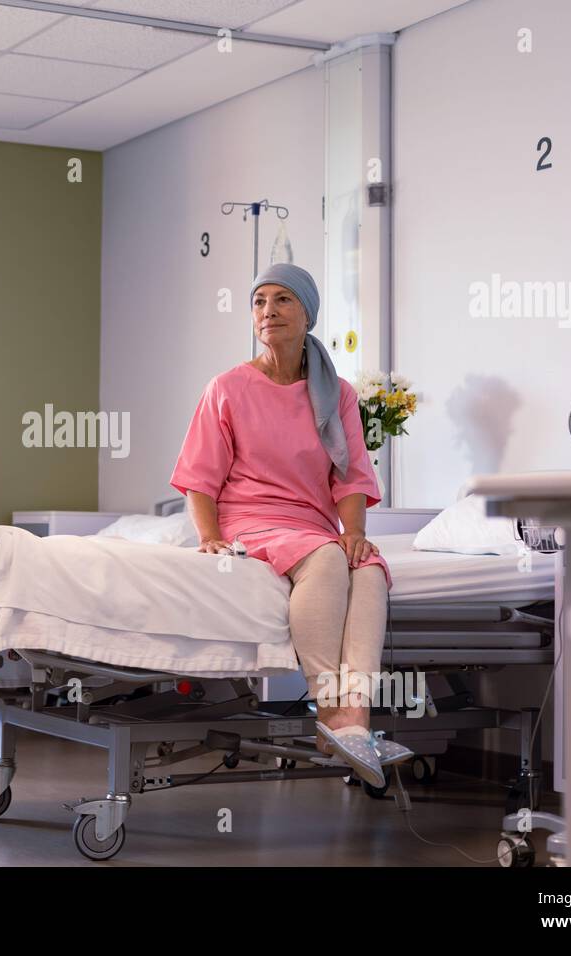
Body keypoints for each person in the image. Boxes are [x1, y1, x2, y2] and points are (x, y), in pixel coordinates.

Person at [169, 263, 410, 786]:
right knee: (325, 559)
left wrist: (354, 533)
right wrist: (209, 536)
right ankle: (331, 710)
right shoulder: (228, 388)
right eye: (259, 302)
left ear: (307, 315)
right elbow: (200, 478)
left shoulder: (336, 393)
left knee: (367, 566)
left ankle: (354, 717)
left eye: (282, 300)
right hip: (250, 519)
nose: (268, 311)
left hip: (310, 522)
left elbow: (348, 477)